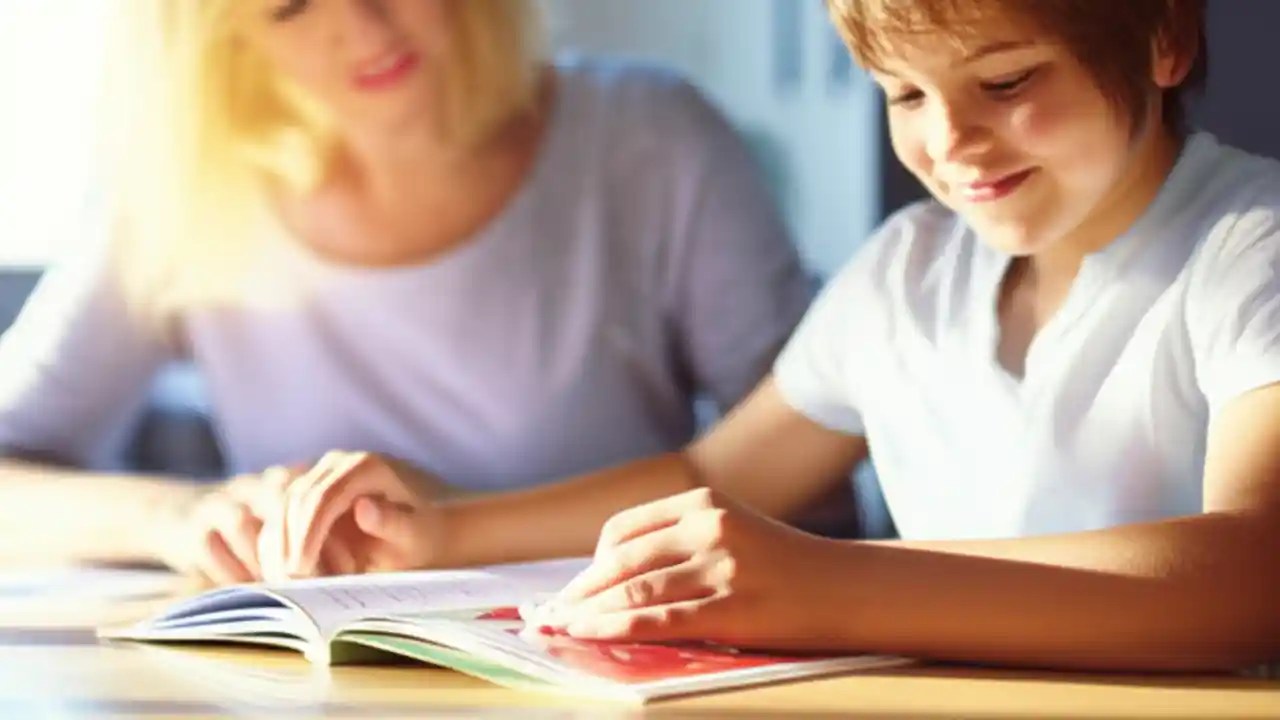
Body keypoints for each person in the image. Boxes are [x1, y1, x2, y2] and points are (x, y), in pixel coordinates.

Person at [274, 0, 1280, 672]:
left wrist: (828, 585)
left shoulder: (1248, 248)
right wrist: (445, 530)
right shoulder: (908, 269)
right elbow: (722, 468)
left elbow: (1248, 575)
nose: (950, 143)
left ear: (1162, 37)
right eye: (905, 95)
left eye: (1007, 83)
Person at [0, 0, 812, 585]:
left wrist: (458, 531)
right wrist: (178, 520)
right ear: (224, 36)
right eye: (290, 8)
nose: (364, 24)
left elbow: (811, 485)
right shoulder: (181, 195)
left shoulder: (653, 138)